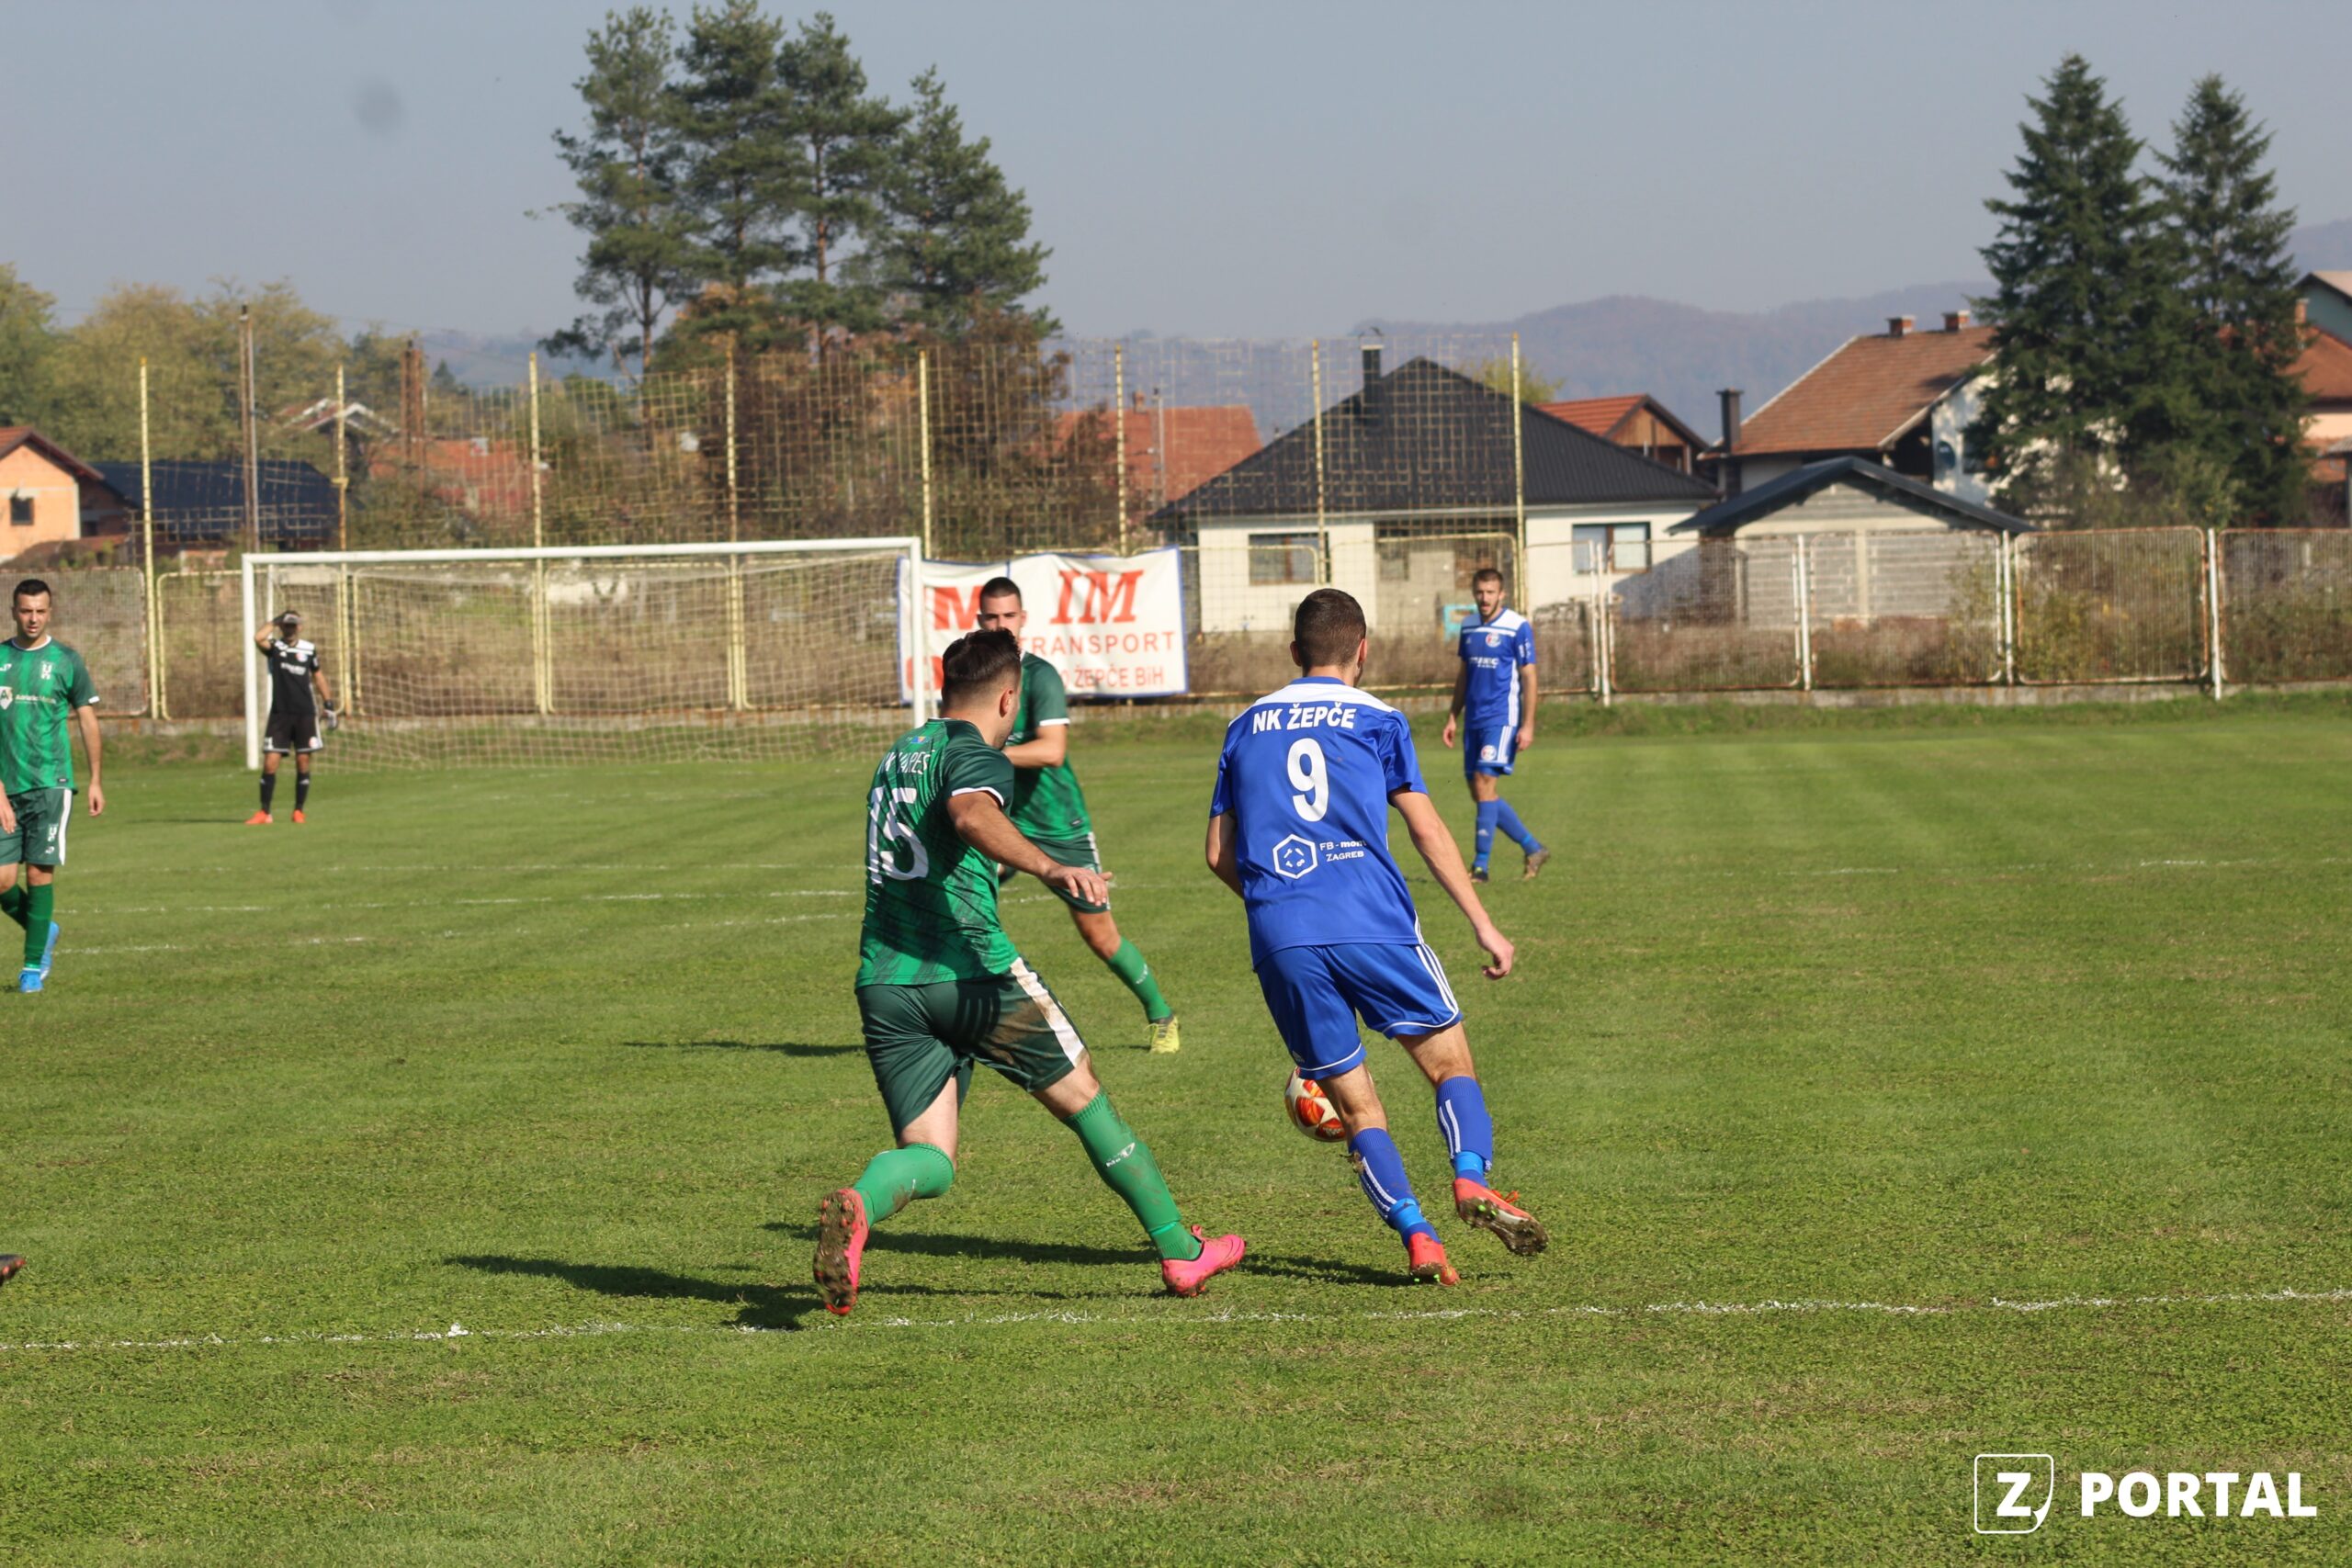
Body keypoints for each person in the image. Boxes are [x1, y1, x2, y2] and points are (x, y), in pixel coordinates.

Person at [815, 627, 1244, 1315]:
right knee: (1085, 1097)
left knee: (932, 1156)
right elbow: (969, 811)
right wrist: (1049, 863)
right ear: (1010, 696)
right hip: (972, 973)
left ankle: (860, 1203)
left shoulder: (899, 754)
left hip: (885, 983)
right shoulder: (975, 755)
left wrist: (1046, 873)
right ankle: (1181, 1250)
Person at [1206, 588, 1546, 1285]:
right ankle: (1472, 1176)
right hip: (1373, 920)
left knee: (1358, 1108)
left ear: (1293, 652)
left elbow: (1217, 852)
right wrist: (1484, 924)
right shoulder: (1379, 718)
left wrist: (1281, 902)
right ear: (1364, 649)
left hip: (1282, 935)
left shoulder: (1242, 725)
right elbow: (1424, 827)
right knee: (1450, 1065)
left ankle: (1418, 1236)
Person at [975, 578, 1181, 1053]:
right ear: (979, 619)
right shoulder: (975, 675)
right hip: (998, 817)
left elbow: (1052, 750)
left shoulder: (1039, 676)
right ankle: (965, 1020)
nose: (1000, 625)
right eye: (991, 617)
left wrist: (987, 752)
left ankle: (1161, 1014)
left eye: (1009, 616)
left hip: (1056, 823)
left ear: (1022, 619)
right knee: (964, 906)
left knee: (1100, 935)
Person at [0, 579, 104, 995]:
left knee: (39, 874)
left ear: (50, 612)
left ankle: (30, 969)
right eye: (26, 610)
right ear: (13, 611)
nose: (33, 618)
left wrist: (96, 778)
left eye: (41, 610)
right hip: (7, 787)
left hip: (51, 784)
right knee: (3, 882)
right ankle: (44, 929)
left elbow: (88, 720)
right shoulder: (1, 658)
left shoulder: (66, 660)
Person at [1441, 568, 1549, 883]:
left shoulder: (1517, 627)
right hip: (1473, 719)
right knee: (1480, 792)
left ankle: (1480, 867)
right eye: (1479, 592)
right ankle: (1533, 847)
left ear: (1502, 594)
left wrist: (1528, 725)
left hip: (1502, 719)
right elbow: (1464, 675)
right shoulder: (1468, 626)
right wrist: (1452, 715)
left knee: (1484, 784)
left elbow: (1529, 676)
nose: (1484, 598)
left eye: (1490, 592)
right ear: (1474, 593)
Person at [247, 611, 336, 824]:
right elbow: (258, 638)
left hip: (305, 713)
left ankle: (298, 810)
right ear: (282, 627)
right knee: (270, 762)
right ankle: (264, 812)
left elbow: (318, 675)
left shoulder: (309, 649)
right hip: (280, 715)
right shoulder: (276, 648)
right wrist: (276, 621)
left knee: (303, 760)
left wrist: (329, 704)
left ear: (300, 627)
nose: (290, 629)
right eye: (286, 625)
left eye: (293, 625)